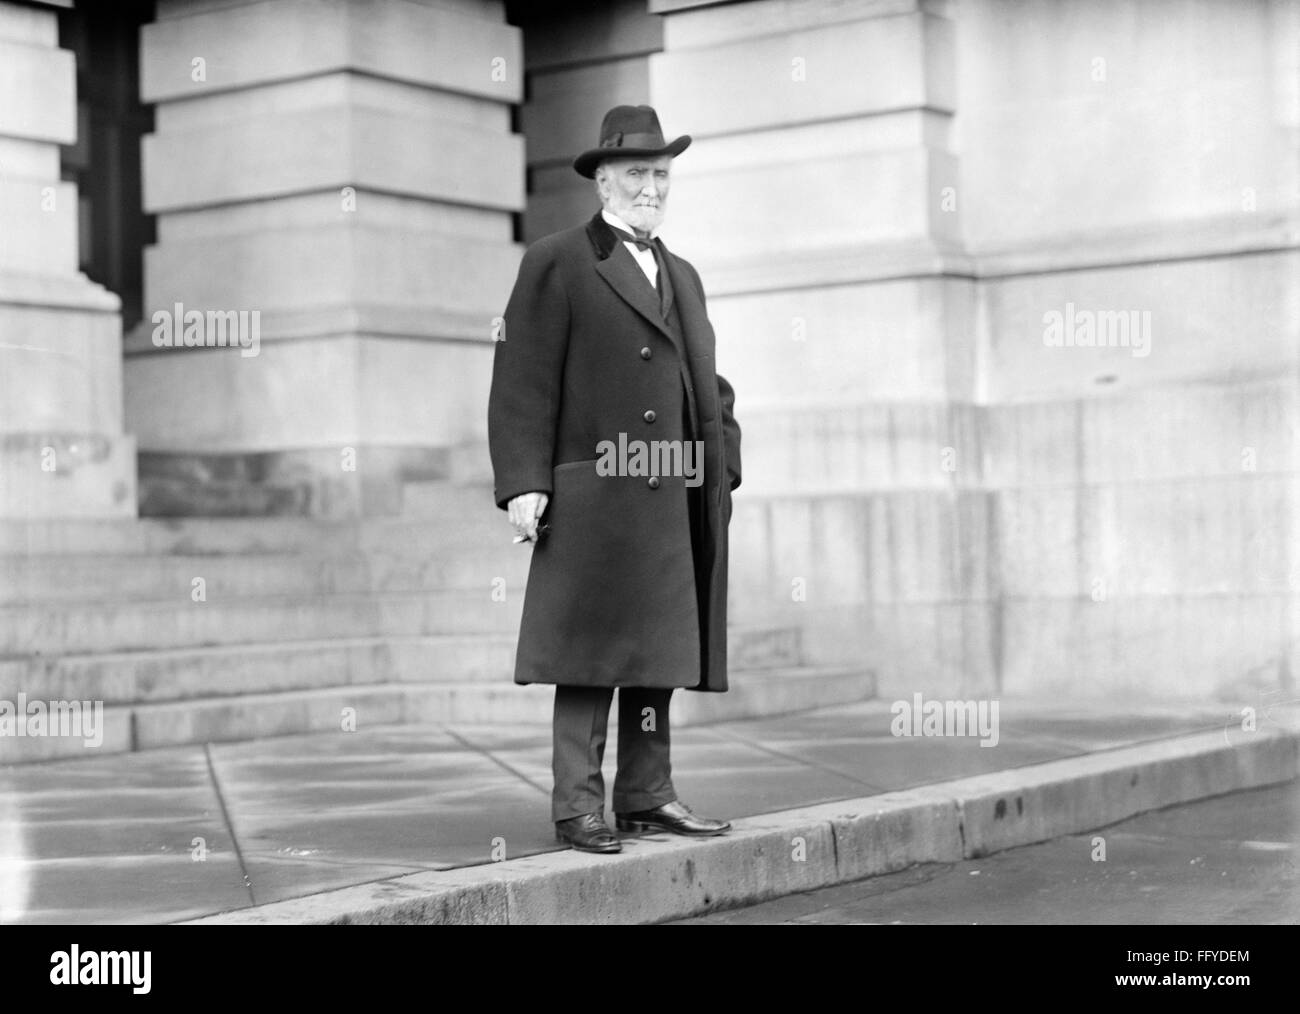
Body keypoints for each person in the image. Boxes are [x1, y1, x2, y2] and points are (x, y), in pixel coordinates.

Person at [488, 104, 742, 854]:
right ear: (602, 181)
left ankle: (645, 795)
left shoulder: (683, 274)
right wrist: (524, 481)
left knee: (657, 653)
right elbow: (522, 376)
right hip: (596, 491)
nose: (651, 187)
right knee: (588, 655)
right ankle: (577, 806)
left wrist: (723, 459)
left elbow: (710, 381)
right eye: (637, 172)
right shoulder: (557, 260)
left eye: (662, 174)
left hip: (673, 492)